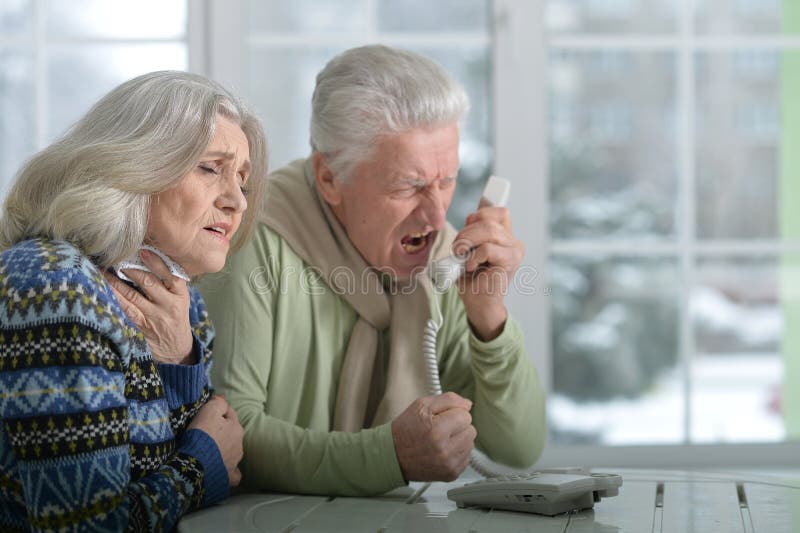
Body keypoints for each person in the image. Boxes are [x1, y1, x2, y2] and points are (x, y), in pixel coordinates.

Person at [200, 44, 546, 496]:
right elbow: (232, 435)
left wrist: (488, 318)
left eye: (447, 181)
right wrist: (390, 457)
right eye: (410, 185)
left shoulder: (440, 259)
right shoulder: (250, 242)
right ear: (329, 179)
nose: (437, 217)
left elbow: (518, 449)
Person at [0, 70, 267, 530]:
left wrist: (180, 360)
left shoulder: (184, 306)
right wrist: (198, 472)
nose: (238, 201)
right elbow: (85, 526)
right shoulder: (53, 286)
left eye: (241, 179)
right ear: (135, 167)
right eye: (210, 168)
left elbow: (205, 455)